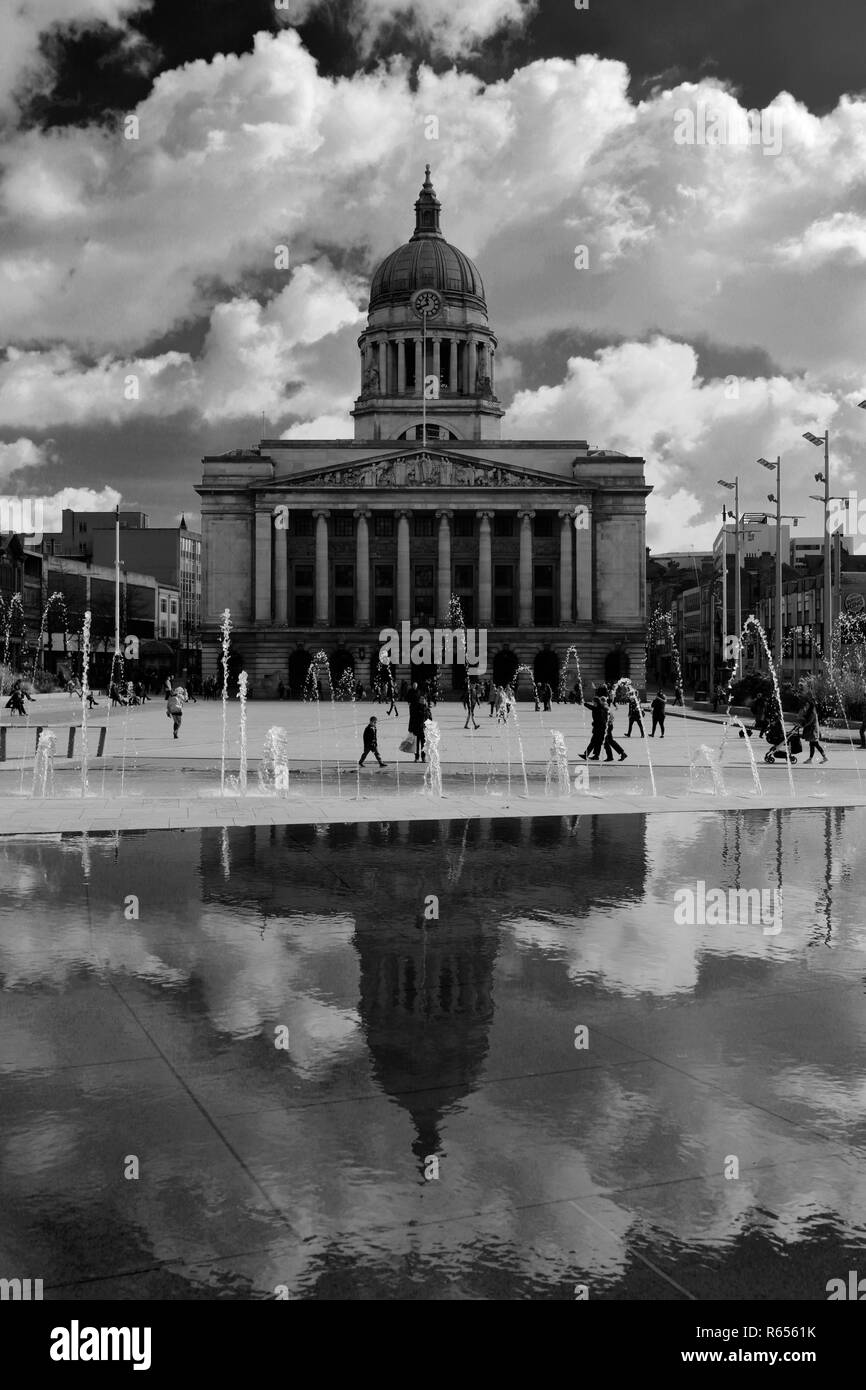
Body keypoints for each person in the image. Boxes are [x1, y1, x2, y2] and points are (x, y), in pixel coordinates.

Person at [580, 687, 610, 760]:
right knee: (596, 742)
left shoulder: (598, 708)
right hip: (600, 728)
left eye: (593, 702)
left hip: (600, 728)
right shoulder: (600, 707)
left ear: (596, 702)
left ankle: (589, 755)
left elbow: (591, 707)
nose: (592, 703)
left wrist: (584, 703)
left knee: (595, 742)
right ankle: (594, 755)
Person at [800, 695, 828, 764]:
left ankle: (824, 757)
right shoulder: (811, 711)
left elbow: (810, 721)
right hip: (812, 730)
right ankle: (812, 759)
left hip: (813, 731)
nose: (806, 706)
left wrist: (803, 725)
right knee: (813, 744)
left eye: (807, 705)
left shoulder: (812, 712)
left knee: (815, 744)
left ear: (810, 705)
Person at [409, 692, 429, 761]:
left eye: (423, 699)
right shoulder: (415, 708)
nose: (422, 700)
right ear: (419, 700)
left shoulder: (427, 709)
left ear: (425, 700)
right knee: (416, 745)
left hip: (424, 729)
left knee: (423, 745)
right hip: (416, 728)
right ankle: (416, 757)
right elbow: (412, 718)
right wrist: (410, 729)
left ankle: (423, 757)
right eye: (421, 699)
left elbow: (430, 719)